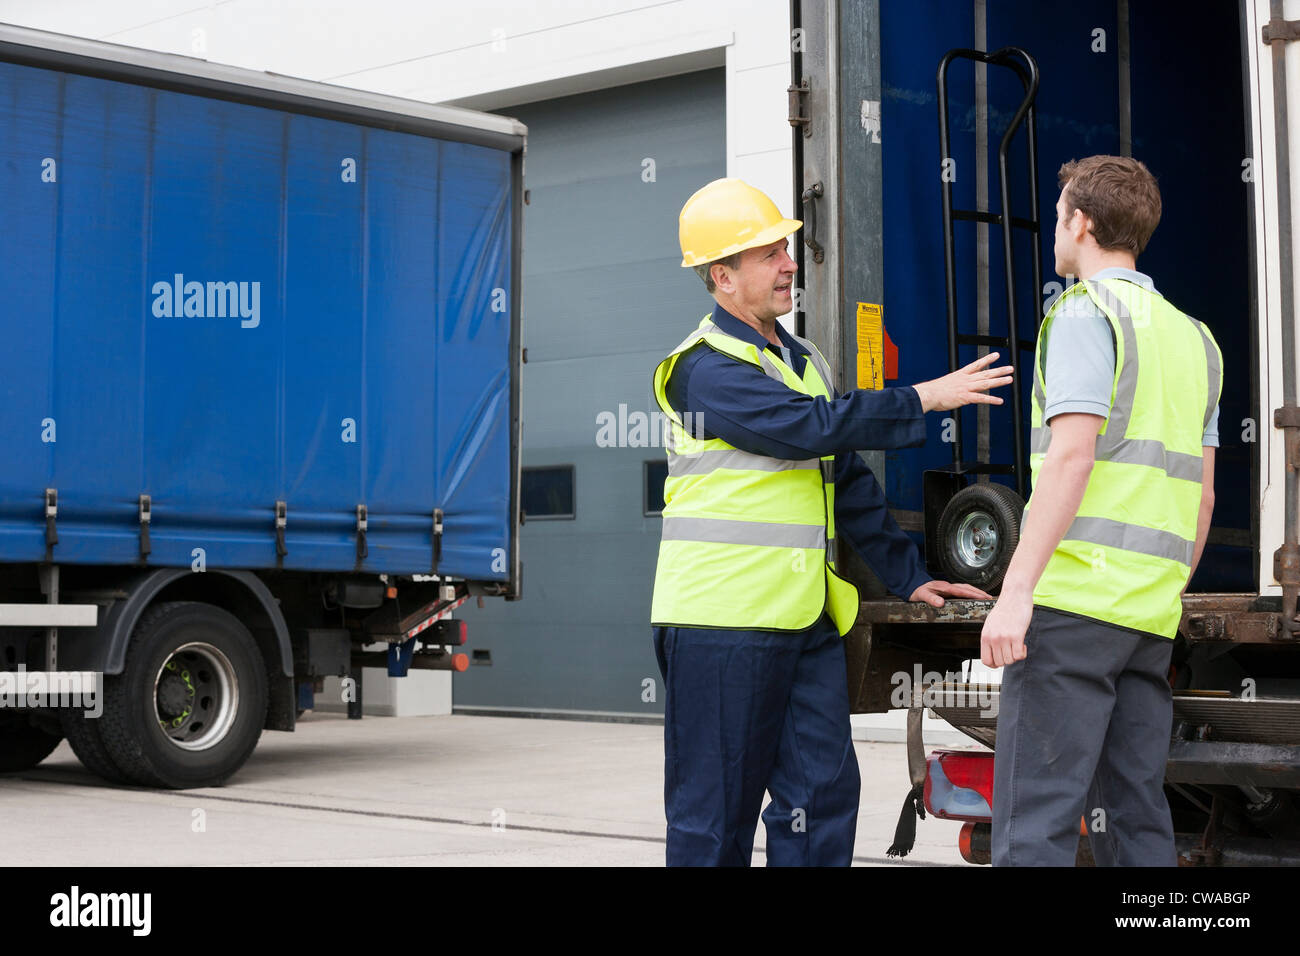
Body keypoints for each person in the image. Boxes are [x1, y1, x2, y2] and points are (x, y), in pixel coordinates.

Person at [649, 177, 1013, 866]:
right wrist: (924, 399)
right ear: (722, 277)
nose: (789, 262)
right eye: (767, 254)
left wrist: (908, 578)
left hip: (804, 622)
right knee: (714, 813)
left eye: (785, 247)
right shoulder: (703, 371)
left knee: (819, 797)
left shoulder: (802, 360)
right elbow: (804, 429)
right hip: (721, 626)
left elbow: (843, 477)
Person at [980, 156, 1222, 866]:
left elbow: (1072, 457)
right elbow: (1203, 494)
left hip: (1073, 609)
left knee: (1035, 827)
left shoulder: (1086, 313)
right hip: (1147, 617)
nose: (1057, 228)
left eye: (1059, 215)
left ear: (1080, 224)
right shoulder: (1195, 337)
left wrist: (1015, 593)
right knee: (1137, 820)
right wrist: (1166, 592)